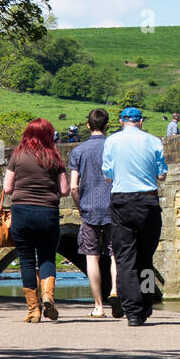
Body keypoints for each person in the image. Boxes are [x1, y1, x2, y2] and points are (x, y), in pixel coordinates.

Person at [101, 107, 167, 326]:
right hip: (148, 202)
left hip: (121, 202)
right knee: (146, 258)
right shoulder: (154, 141)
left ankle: (133, 311)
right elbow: (162, 174)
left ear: (122, 121)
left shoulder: (111, 142)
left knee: (125, 259)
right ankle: (147, 303)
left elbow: (107, 175)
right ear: (141, 122)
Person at [4, 117, 68, 323]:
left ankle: (34, 311)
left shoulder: (17, 155)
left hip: (21, 213)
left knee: (26, 261)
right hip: (47, 213)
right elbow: (65, 190)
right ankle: (47, 295)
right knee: (47, 258)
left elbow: (7, 188)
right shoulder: (55, 158)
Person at [69, 108, 118, 319]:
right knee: (116, 254)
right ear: (107, 125)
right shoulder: (115, 148)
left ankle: (99, 306)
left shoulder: (78, 151)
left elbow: (73, 186)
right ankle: (116, 291)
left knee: (92, 256)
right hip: (113, 208)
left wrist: (80, 207)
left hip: (89, 209)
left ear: (88, 126)